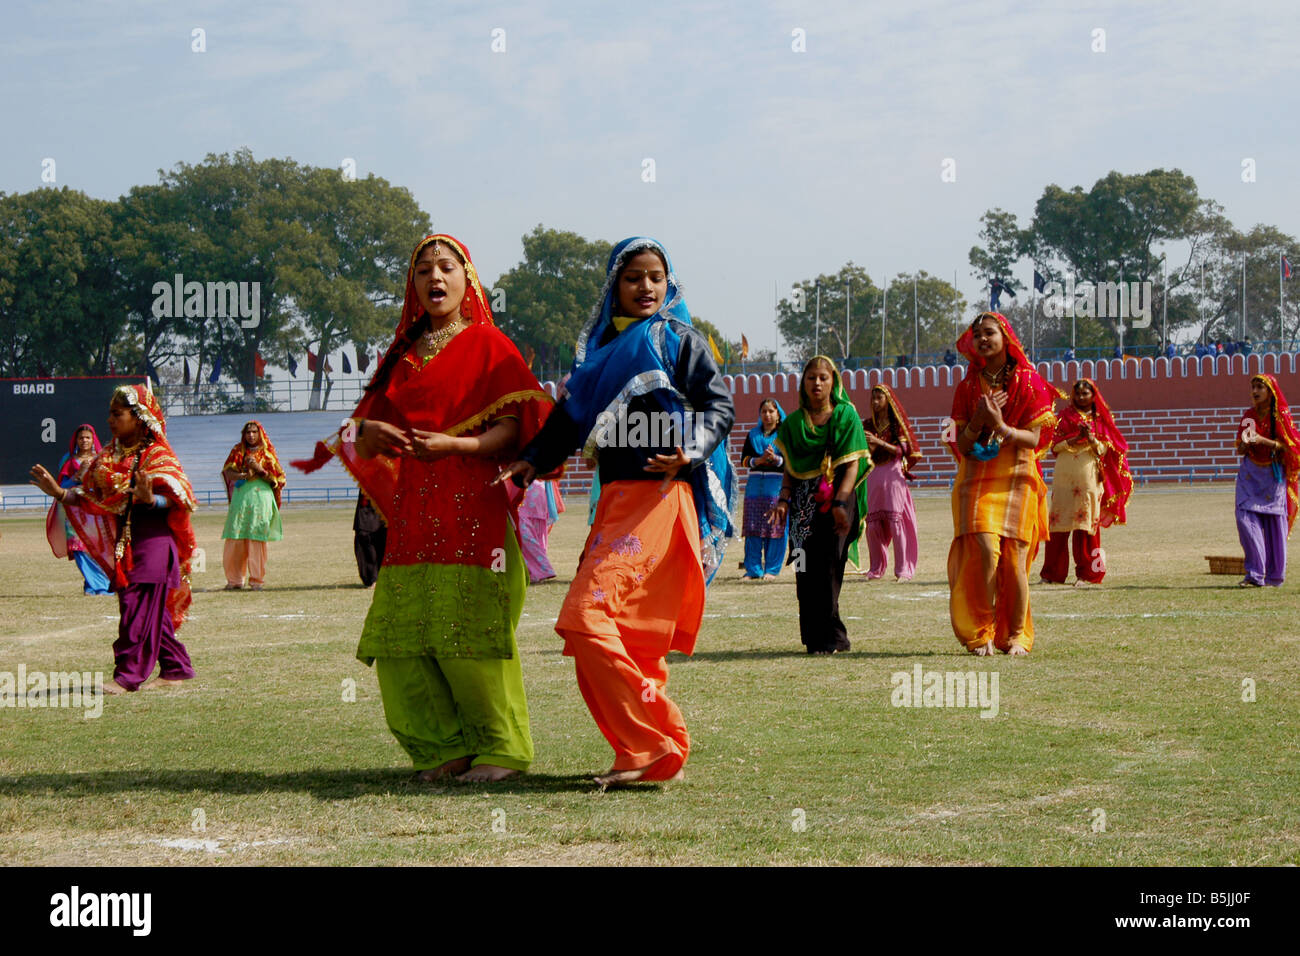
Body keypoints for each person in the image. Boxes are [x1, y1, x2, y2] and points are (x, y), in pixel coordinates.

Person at [293, 234, 553, 782]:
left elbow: (514, 428)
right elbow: (359, 437)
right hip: (413, 517)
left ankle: (502, 750)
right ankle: (442, 749)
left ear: (467, 280)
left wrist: (455, 446)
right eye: (422, 271)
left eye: (446, 267)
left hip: (472, 510)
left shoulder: (489, 345)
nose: (434, 278)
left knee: (469, 636)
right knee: (402, 639)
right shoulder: (403, 356)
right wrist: (369, 431)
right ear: (412, 288)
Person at [497, 236, 736, 787]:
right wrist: (532, 461)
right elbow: (568, 419)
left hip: (660, 500)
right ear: (614, 288)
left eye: (656, 277)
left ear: (668, 283)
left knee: (585, 617)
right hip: (613, 504)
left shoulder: (680, 340)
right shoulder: (599, 355)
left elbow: (718, 405)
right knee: (628, 639)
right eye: (633, 278)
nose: (646, 287)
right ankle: (642, 754)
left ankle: (660, 739)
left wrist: (691, 447)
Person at [29, 385, 198, 693]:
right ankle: (176, 668)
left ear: (139, 417)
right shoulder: (108, 456)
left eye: (117, 414)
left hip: (154, 545)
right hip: (128, 545)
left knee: (135, 608)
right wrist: (60, 493)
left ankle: (127, 676)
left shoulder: (157, 454)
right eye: (110, 414)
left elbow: (179, 498)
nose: (109, 420)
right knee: (151, 614)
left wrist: (150, 500)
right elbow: (91, 496)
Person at [945, 312, 1058, 656]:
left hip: (1019, 474)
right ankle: (981, 632)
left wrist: (1001, 426)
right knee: (983, 550)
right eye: (977, 334)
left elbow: (1036, 438)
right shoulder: (968, 385)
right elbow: (962, 445)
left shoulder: (1028, 381)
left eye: (989, 332)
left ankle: (1017, 635)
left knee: (1014, 560)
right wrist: (980, 419)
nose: (982, 339)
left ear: (1005, 336)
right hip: (977, 477)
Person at [770, 356, 871, 654]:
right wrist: (784, 500)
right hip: (801, 505)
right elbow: (790, 466)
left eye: (823, 378)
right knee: (803, 568)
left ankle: (834, 637)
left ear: (834, 382)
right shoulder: (792, 424)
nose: (817, 383)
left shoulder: (846, 416)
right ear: (803, 383)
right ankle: (813, 637)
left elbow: (852, 464)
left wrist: (841, 501)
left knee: (828, 567)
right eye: (811, 377)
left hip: (837, 500)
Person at [1040, 379, 1132, 587]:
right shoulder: (1063, 417)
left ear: (1093, 395)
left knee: (1086, 526)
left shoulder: (1102, 420)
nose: (1081, 397)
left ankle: (1088, 575)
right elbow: (1054, 446)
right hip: (1064, 477)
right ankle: (1052, 574)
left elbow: (1106, 451)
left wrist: (1090, 439)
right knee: (1058, 525)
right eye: (1078, 393)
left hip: (1089, 478)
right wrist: (1073, 440)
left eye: (1085, 393)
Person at [1235, 374, 1300, 587]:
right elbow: (1240, 446)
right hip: (1250, 472)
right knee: (1244, 518)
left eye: (1259, 387)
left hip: (1273, 475)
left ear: (1270, 391)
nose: (1254, 391)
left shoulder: (1280, 415)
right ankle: (1255, 573)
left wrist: (1264, 441)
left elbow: (1290, 447)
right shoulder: (1249, 416)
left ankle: (1274, 576)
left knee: (1274, 525)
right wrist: (1246, 442)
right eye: (1253, 387)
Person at [854, 384, 920, 581]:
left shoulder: (896, 424)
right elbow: (863, 452)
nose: (875, 402)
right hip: (873, 474)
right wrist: (870, 446)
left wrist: (879, 443)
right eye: (872, 398)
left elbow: (903, 451)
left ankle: (903, 570)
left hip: (893, 473)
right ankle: (876, 568)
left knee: (895, 521)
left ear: (888, 401)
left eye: (879, 398)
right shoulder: (867, 425)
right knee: (872, 523)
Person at [44, 424, 111, 595]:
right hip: (74, 511)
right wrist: (78, 474)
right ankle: (95, 585)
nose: (84, 441)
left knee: (98, 547)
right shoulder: (68, 460)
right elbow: (61, 486)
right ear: (76, 441)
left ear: (93, 439)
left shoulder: (103, 459)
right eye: (81, 438)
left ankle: (102, 585)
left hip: (97, 511)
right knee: (78, 547)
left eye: (88, 437)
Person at [220, 421, 285, 590]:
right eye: (248, 432)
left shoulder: (267, 453)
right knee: (236, 536)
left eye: (254, 432)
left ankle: (256, 580)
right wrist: (242, 474)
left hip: (261, 497)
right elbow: (228, 472)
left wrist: (257, 468)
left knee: (256, 537)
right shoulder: (237, 450)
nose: (251, 435)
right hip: (241, 498)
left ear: (260, 433)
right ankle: (234, 580)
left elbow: (276, 479)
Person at [740, 398, 787, 580]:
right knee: (752, 527)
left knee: (774, 527)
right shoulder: (752, 435)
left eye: (771, 411)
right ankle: (753, 569)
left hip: (775, 488)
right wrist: (758, 461)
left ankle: (772, 569)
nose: (767, 415)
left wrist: (776, 459)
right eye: (764, 412)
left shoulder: (784, 435)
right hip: (754, 488)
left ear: (778, 414)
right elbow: (744, 459)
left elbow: (790, 460)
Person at [518, 478, 565, 583]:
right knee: (532, 537)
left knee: (530, 536)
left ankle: (542, 569)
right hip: (534, 495)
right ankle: (534, 571)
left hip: (531, 496)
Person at [353, 493, 386, 588]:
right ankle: (372, 578)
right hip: (366, 508)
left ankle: (380, 578)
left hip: (385, 506)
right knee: (364, 539)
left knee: (383, 542)